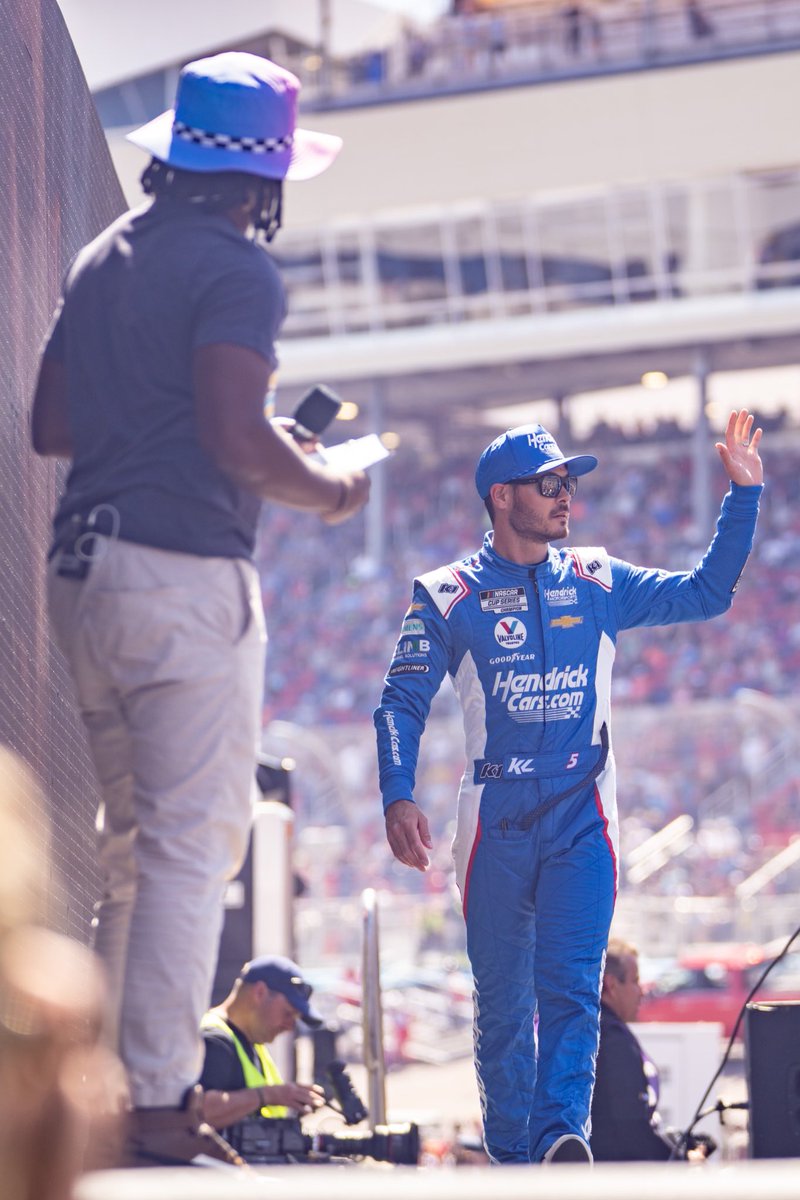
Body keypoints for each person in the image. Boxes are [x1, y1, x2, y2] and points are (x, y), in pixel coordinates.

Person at [30, 51, 369, 1166]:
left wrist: (186, 422)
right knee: (188, 851)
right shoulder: (233, 269)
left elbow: (54, 423)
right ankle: (162, 1100)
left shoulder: (103, 256)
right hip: (179, 576)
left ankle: (112, 1091)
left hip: (83, 569)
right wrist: (324, 486)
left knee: (134, 847)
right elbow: (234, 438)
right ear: (261, 179)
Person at [374, 411, 763, 1164]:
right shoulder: (446, 594)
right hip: (493, 820)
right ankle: (517, 1159)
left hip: (585, 814)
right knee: (503, 1011)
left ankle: (561, 1141)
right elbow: (399, 701)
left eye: (569, 483)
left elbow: (706, 593)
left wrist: (742, 495)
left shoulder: (598, 578)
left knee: (573, 992)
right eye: (549, 484)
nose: (565, 496)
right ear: (500, 497)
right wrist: (397, 793)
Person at [591, 939, 715, 1161]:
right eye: (635, 981)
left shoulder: (591, 1032)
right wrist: (682, 1161)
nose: (641, 992)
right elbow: (629, 1129)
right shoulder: (612, 1040)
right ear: (611, 985)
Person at [199, 955, 324, 1134]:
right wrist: (269, 1095)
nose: (290, 1026)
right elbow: (200, 1112)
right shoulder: (215, 1040)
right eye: (288, 1013)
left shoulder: (250, 1041)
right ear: (260, 992)